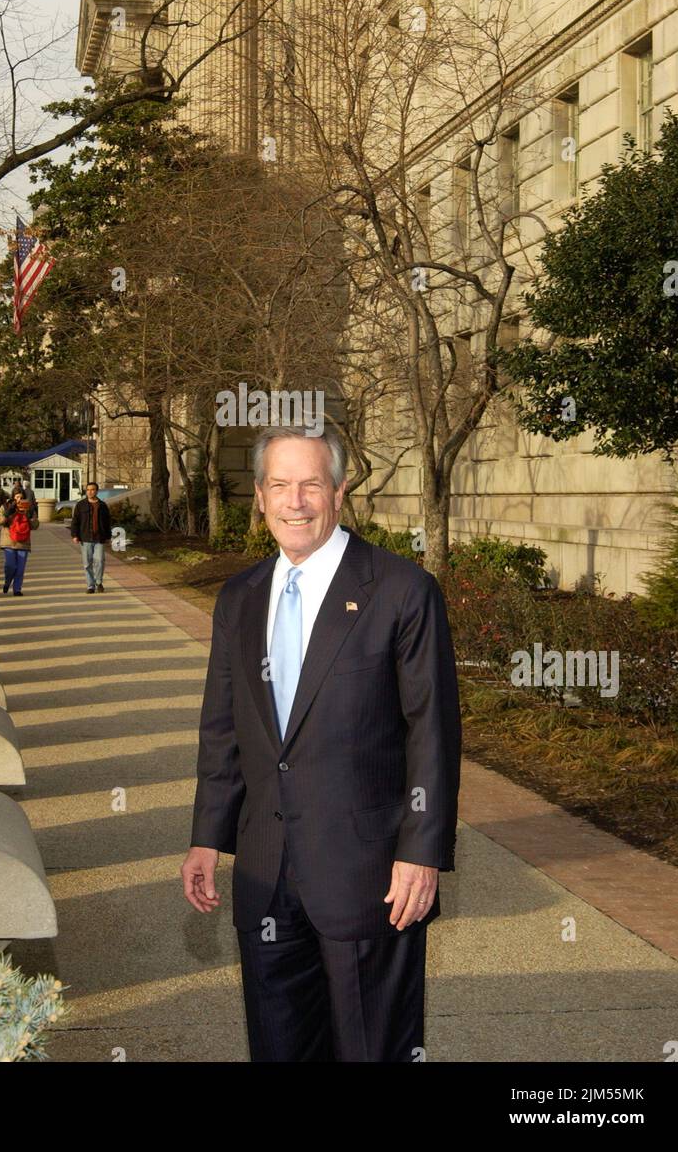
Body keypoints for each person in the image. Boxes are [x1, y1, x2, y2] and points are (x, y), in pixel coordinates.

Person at [181, 425, 462, 1063]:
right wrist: (206, 837)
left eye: (311, 483)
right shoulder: (239, 599)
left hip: (367, 880)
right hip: (264, 875)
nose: (295, 500)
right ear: (259, 496)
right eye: (279, 485)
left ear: (338, 493)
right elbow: (223, 729)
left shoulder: (401, 592)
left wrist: (420, 852)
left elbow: (432, 732)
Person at [70, 481, 112, 593]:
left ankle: (98, 582)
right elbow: (75, 521)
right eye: (88, 490)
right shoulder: (80, 505)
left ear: (97, 491)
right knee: (87, 563)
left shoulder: (103, 505)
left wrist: (108, 536)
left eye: (92, 489)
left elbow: (107, 522)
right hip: (85, 538)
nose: (90, 492)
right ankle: (90, 586)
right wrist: (74, 535)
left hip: (99, 538)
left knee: (99, 561)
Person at [0, 491, 39, 596]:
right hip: (9, 541)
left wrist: (28, 517)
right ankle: (7, 581)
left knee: (20, 569)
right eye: (17, 497)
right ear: (13, 497)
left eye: (21, 497)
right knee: (10, 566)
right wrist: (8, 513)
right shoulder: (5, 506)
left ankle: (17, 589)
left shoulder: (29, 508)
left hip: (23, 542)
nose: (19, 500)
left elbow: (35, 525)